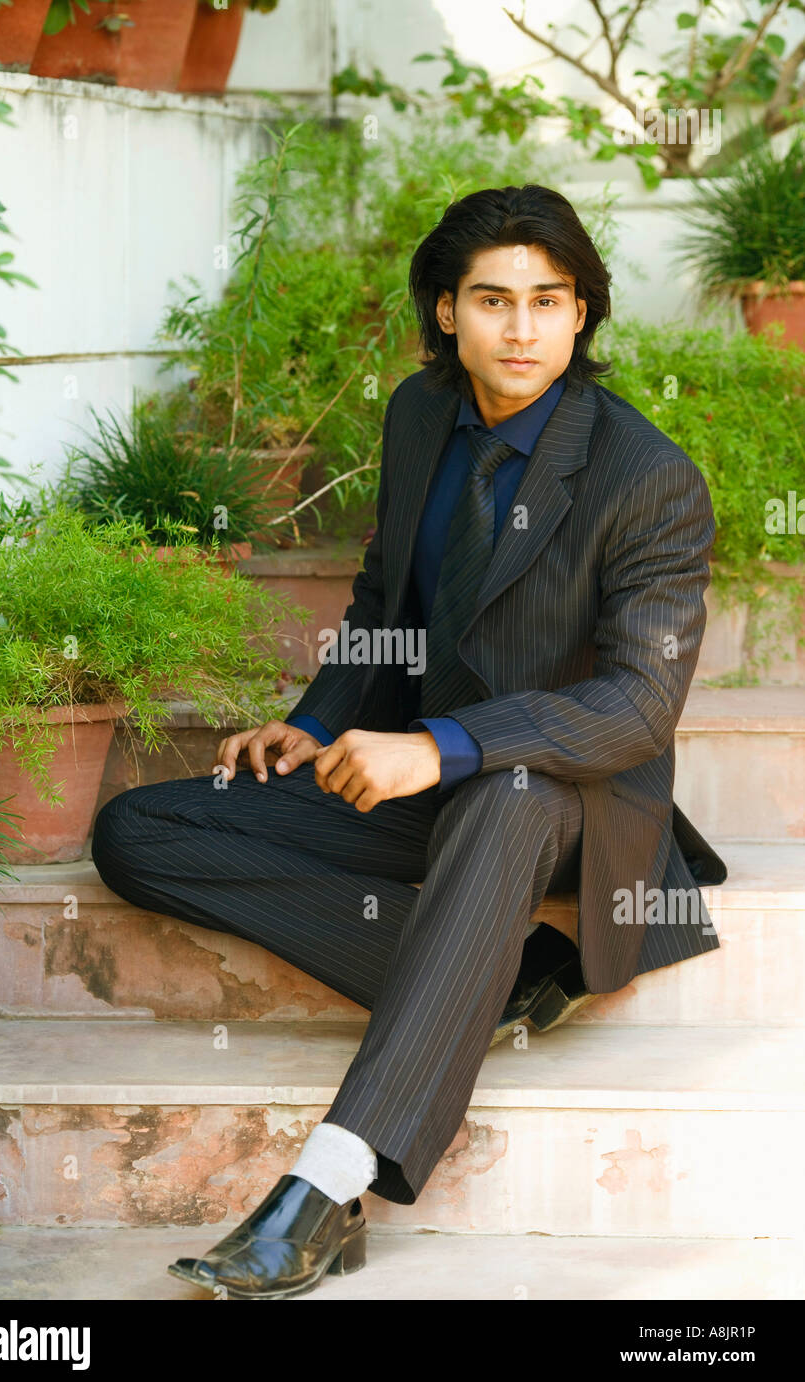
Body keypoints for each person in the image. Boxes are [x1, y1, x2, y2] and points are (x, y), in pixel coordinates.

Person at [91, 183, 727, 1301]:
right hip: (425, 788)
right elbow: (389, 593)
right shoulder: (417, 416)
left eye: (547, 300)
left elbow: (635, 707)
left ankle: (322, 1193)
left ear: (581, 314)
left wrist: (434, 745)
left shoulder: (648, 479)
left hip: (568, 803)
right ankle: (502, 971)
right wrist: (318, 722)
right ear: (445, 311)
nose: (519, 328)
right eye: (491, 300)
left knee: (509, 794)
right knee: (138, 829)